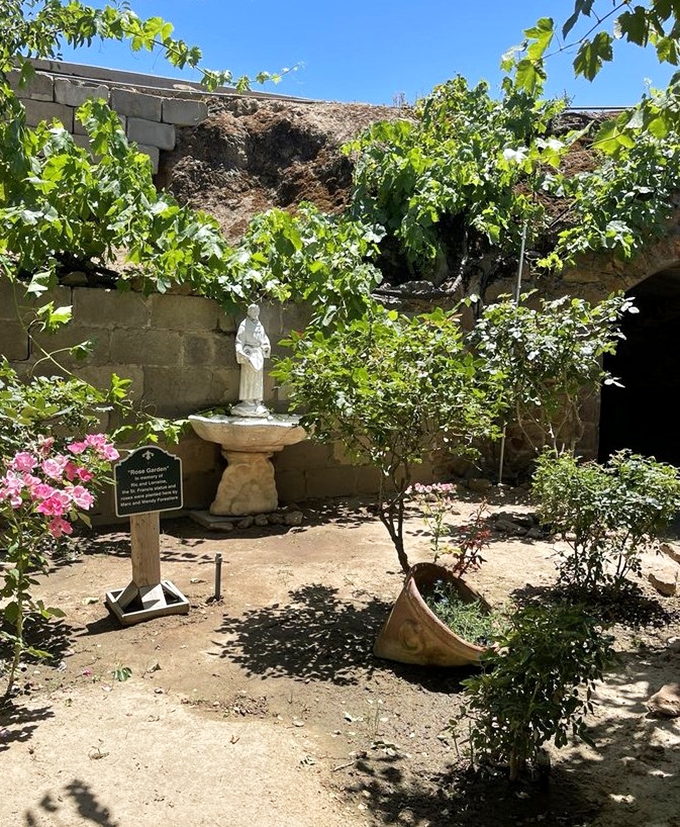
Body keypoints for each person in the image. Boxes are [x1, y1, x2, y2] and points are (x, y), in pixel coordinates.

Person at [231, 304, 271, 417]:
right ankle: (247, 401)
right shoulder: (244, 325)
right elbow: (239, 341)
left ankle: (257, 401)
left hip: (258, 354)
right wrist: (240, 351)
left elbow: (264, 338)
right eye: (252, 310)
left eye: (256, 310)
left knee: (258, 378)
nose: (255, 312)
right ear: (248, 311)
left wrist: (266, 346)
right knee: (248, 377)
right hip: (248, 353)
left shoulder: (259, 325)